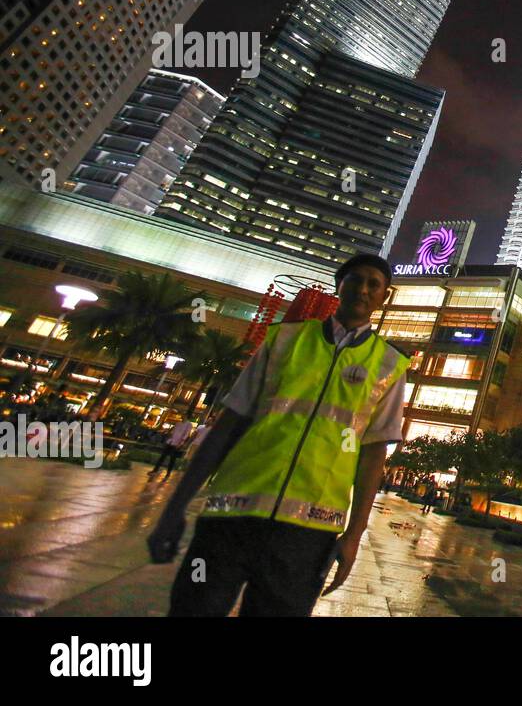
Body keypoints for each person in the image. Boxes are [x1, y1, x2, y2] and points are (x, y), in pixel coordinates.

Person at [146, 254, 409, 617]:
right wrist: (175, 507)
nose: (363, 289)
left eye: (373, 284)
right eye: (355, 279)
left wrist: (354, 534)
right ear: (339, 285)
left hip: (307, 533)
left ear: (385, 296)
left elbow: (373, 456)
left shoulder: (390, 365)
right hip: (230, 516)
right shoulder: (285, 340)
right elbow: (227, 426)